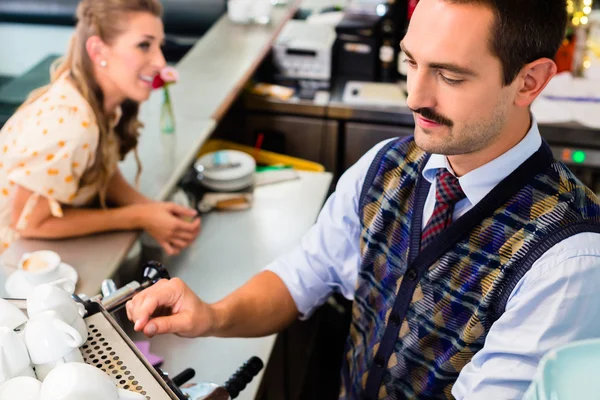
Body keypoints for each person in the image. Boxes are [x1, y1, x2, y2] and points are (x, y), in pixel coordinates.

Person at [126, 0, 600, 398]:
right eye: (411, 61)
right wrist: (212, 316)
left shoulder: (568, 260)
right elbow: (303, 276)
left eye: (450, 76)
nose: (414, 97)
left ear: (530, 81)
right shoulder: (385, 165)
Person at [0, 0, 200, 256]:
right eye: (144, 45)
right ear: (98, 51)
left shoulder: (101, 99)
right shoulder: (70, 125)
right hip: (14, 261)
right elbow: (28, 223)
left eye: (159, 46)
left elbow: (100, 165)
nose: (161, 61)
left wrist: (149, 208)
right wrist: (137, 216)